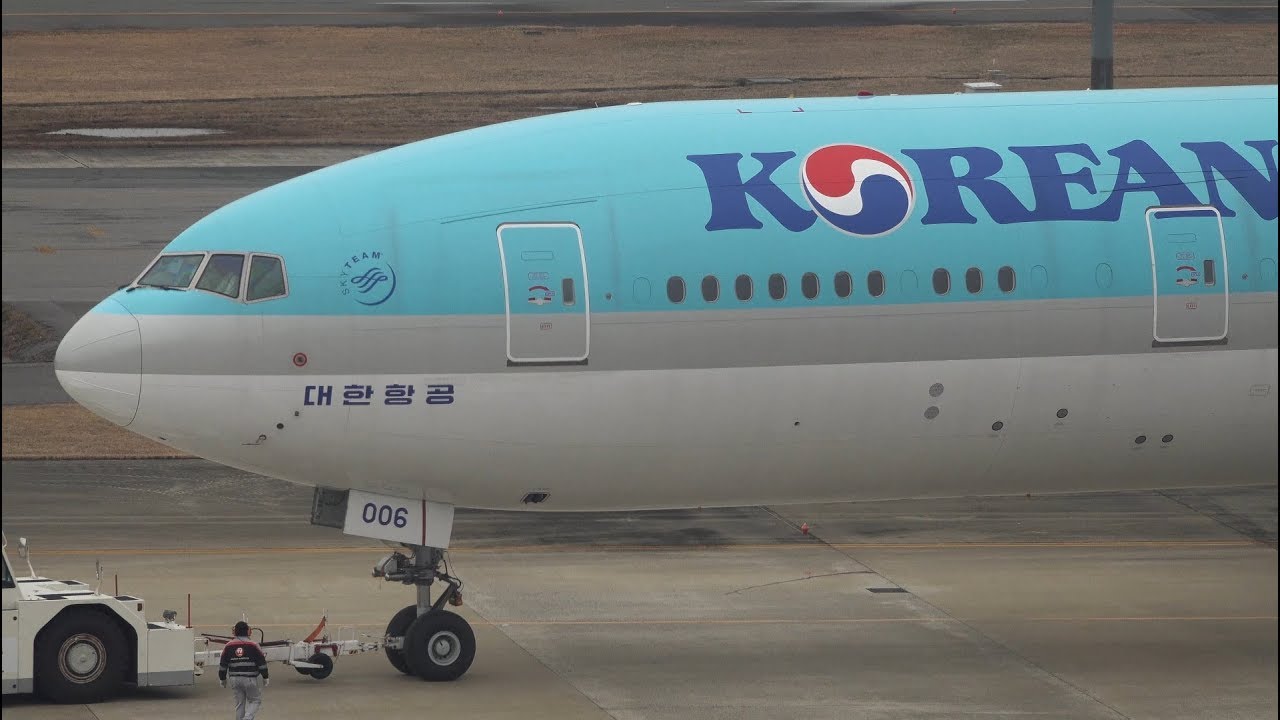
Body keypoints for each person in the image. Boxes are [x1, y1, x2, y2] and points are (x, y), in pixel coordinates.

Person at [218, 621, 269, 720]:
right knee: (255, 701)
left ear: (234, 632)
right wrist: (265, 676)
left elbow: (223, 665)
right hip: (249, 679)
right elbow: (262, 663)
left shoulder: (228, 646)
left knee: (240, 704)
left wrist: (222, 679)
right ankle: (247, 718)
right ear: (248, 631)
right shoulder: (253, 645)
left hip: (234, 679)